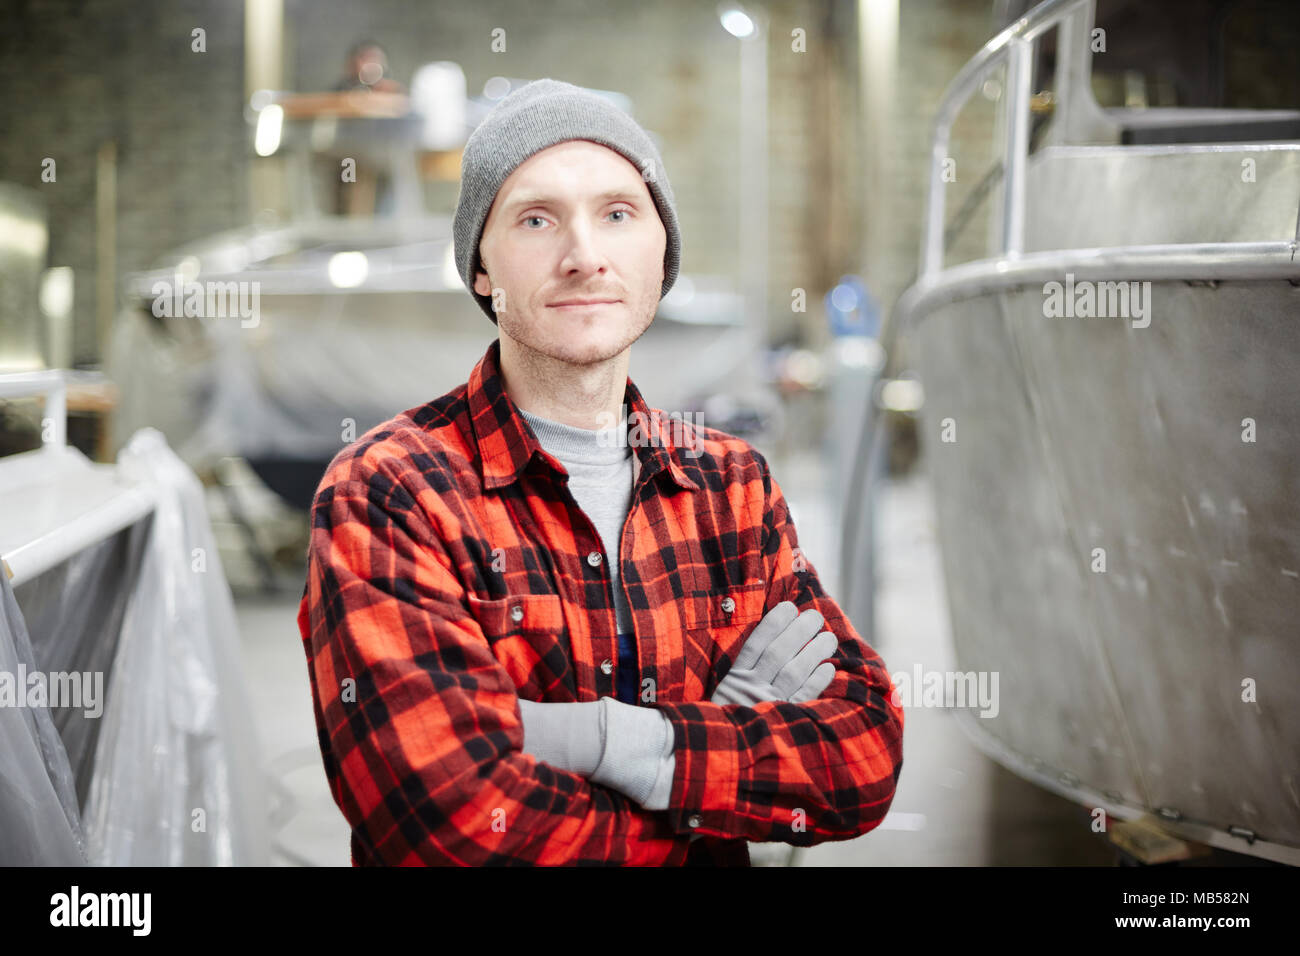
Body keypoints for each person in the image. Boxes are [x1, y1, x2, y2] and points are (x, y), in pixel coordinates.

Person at [297, 78, 904, 866]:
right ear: (481, 268)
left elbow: (862, 760)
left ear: (660, 256)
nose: (585, 257)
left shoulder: (729, 487)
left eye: (618, 214)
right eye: (536, 219)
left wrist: (607, 741)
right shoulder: (391, 490)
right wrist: (712, 758)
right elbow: (447, 822)